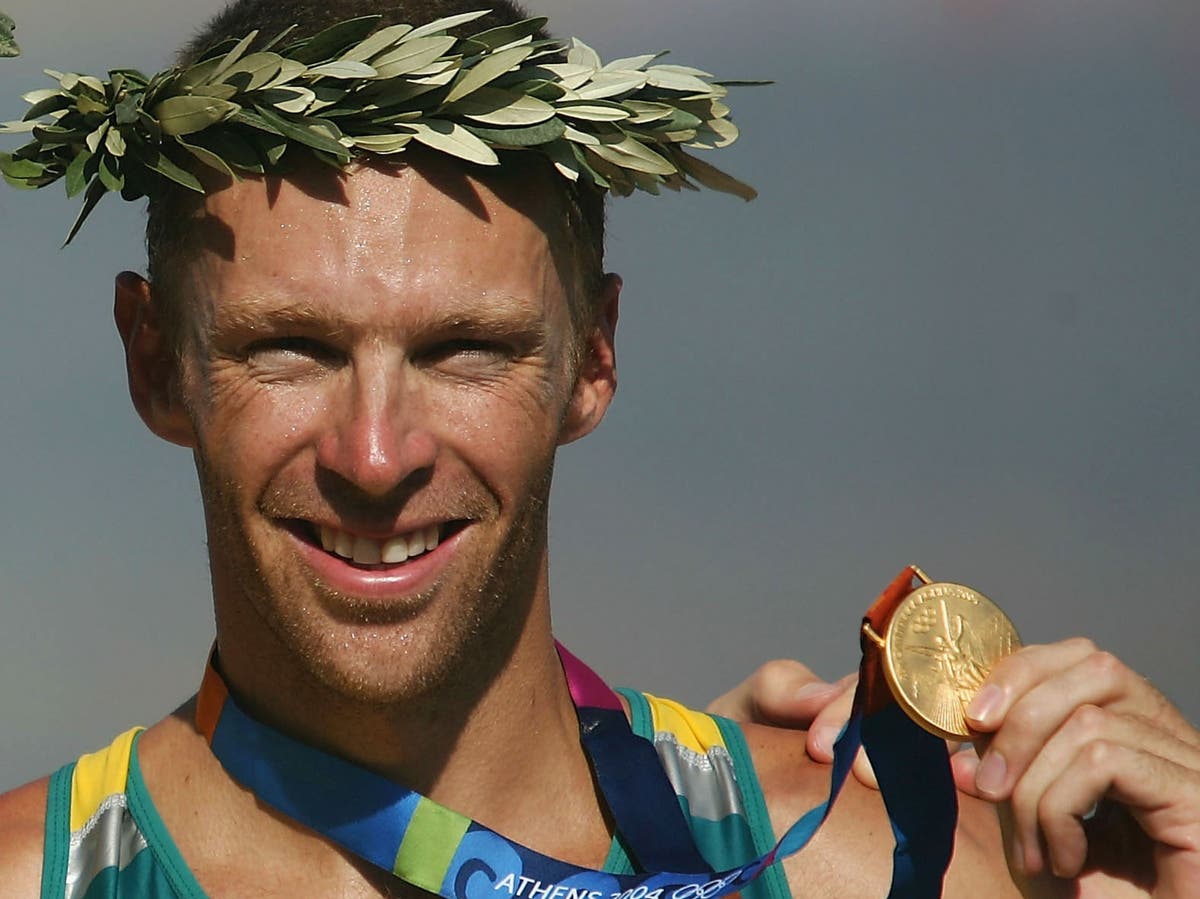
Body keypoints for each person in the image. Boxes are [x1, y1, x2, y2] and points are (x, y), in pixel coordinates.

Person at [1, 1, 1197, 896]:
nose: (375, 455)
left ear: (594, 357)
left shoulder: (874, 869)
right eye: (296, 348)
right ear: (154, 360)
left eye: (465, 348)